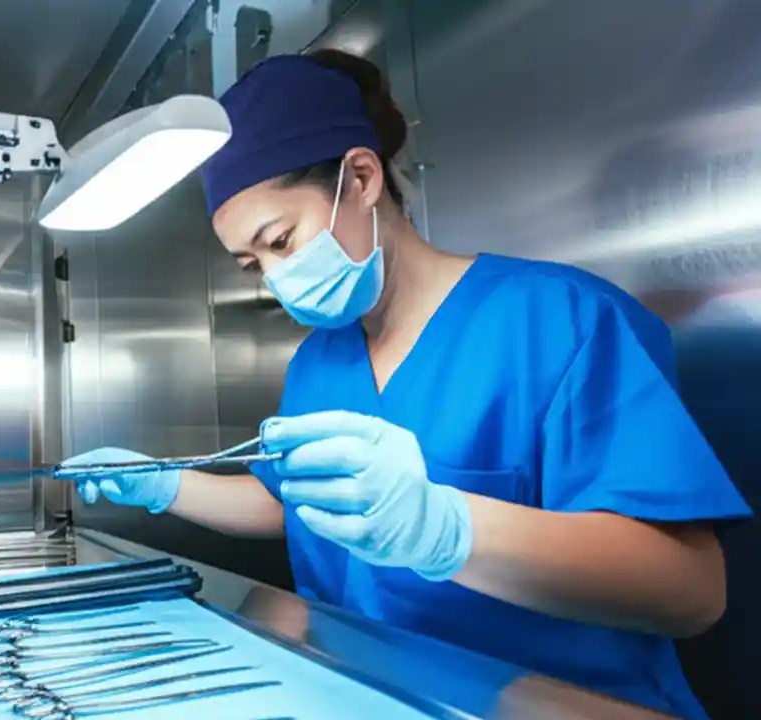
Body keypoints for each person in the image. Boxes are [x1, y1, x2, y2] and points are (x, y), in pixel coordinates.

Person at [60, 51, 752, 719]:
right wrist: (163, 484)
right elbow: (294, 505)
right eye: (250, 265)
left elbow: (691, 591)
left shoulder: (558, 321)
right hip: (369, 692)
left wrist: (446, 528)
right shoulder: (317, 365)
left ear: (360, 179)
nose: (272, 280)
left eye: (281, 241)